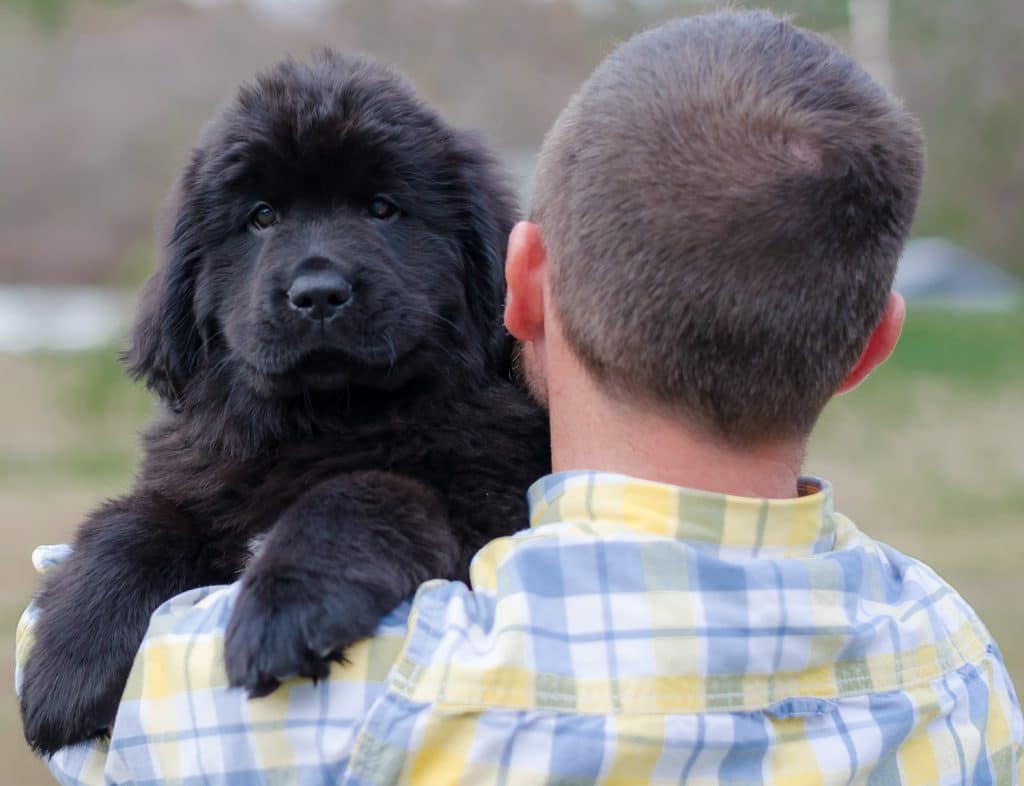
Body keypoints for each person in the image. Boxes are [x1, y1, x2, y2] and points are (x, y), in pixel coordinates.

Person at [18, 10, 1022, 785]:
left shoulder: (370, 705)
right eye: (264, 216)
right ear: (869, 345)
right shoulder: (955, 657)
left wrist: (371, 515)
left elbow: (74, 709)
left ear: (512, 280)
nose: (315, 272)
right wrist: (140, 541)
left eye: (380, 208)